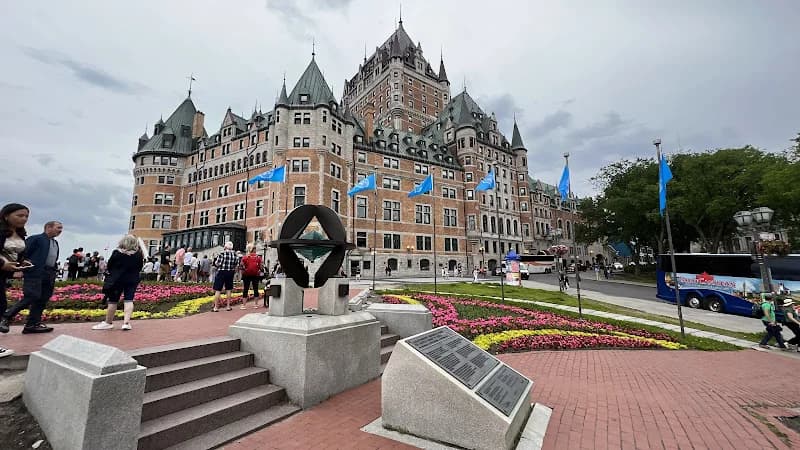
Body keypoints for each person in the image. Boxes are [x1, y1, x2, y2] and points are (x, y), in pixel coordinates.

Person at [0, 219, 62, 335]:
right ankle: (6, 316)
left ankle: (32, 324)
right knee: (32, 296)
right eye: (58, 228)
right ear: (48, 227)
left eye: (61, 228)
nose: (60, 231)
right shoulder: (36, 239)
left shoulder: (55, 242)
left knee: (42, 299)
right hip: (34, 272)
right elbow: (22, 253)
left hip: (49, 274)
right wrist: (19, 268)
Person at [0, 204, 33, 357]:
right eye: (19, 215)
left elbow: (16, 255)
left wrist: (22, 262)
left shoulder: (20, 234)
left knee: (1, 305)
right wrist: (3, 264)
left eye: (26, 216)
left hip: (3, 275)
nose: (24, 219)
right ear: (6, 216)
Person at [92, 235, 144, 331]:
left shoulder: (117, 253)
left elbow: (110, 265)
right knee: (129, 300)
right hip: (132, 279)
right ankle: (126, 323)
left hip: (117, 279)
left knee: (113, 301)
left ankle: (108, 322)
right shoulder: (138, 254)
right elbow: (140, 267)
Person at [212, 242, 239, 312]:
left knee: (218, 290)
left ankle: (216, 307)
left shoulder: (222, 254)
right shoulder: (235, 255)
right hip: (230, 272)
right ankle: (228, 306)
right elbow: (236, 264)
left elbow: (217, 263)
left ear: (225, 247)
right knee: (229, 289)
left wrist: (216, 262)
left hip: (221, 272)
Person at [239, 244, 263, 309]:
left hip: (246, 275)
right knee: (256, 288)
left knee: (245, 289)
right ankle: (256, 304)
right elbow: (261, 267)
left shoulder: (245, 257)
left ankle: (244, 305)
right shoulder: (258, 257)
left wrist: (243, 272)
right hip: (255, 275)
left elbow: (241, 266)